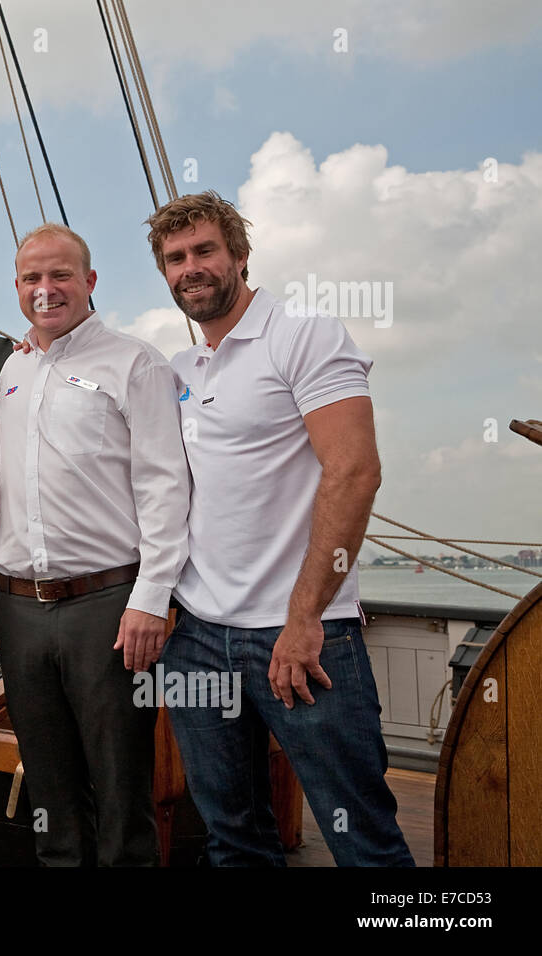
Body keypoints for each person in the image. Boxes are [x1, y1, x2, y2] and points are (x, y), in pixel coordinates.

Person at [145, 191, 413, 866]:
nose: (190, 268)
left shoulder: (304, 333)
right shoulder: (180, 370)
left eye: (205, 250)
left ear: (239, 255)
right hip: (199, 638)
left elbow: (355, 472)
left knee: (363, 843)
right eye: (175, 259)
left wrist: (303, 619)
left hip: (301, 636)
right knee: (232, 839)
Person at [0, 223, 191, 866]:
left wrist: (150, 598)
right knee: (49, 787)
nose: (45, 289)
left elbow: (166, 486)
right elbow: (0, 449)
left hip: (105, 605)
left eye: (60, 275)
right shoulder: (16, 366)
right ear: (18, 287)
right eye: (32, 278)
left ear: (89, 282)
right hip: (19, 608)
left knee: (120, 785)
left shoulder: (135, 363)